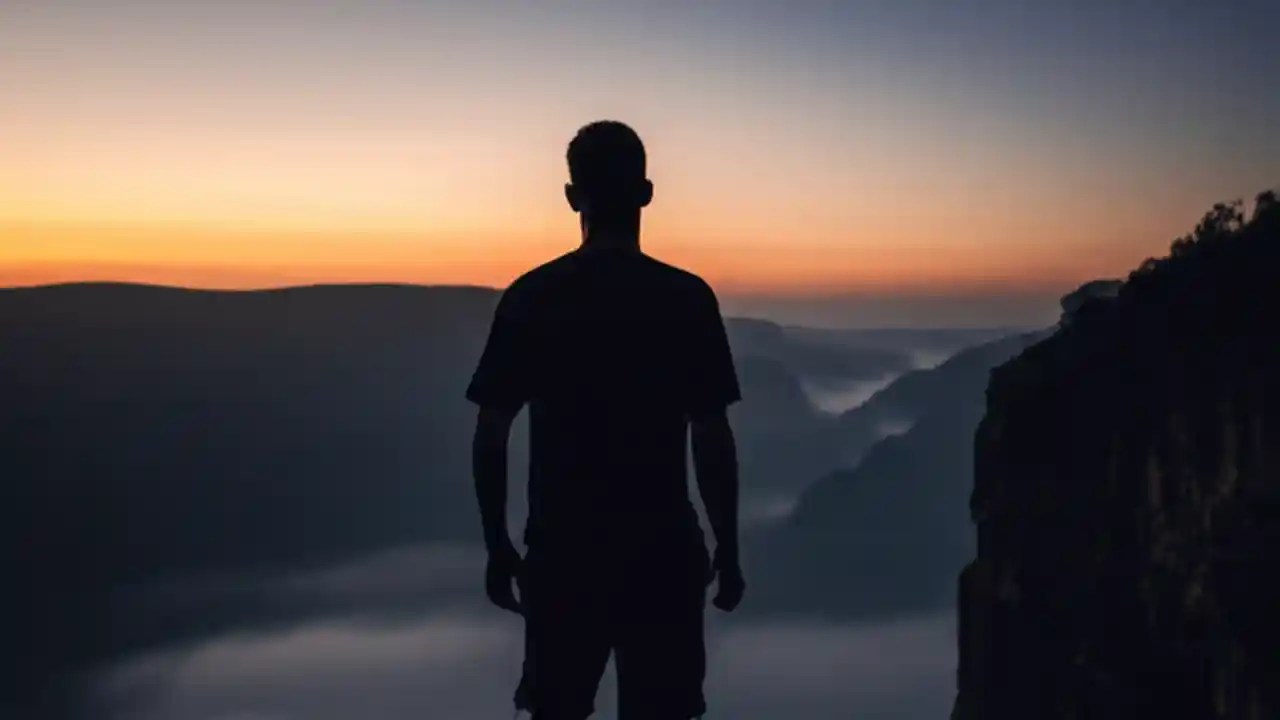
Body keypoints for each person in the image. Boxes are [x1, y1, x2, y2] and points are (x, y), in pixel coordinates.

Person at [466, 120, 744, 720]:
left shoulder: (533, 295)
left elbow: (492, 429)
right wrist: (730, 545)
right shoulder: (686, 298)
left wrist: (496, 545)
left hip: (564, 556)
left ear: (572, 197)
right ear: (646, 193)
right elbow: (711, 432)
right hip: (662, 555)